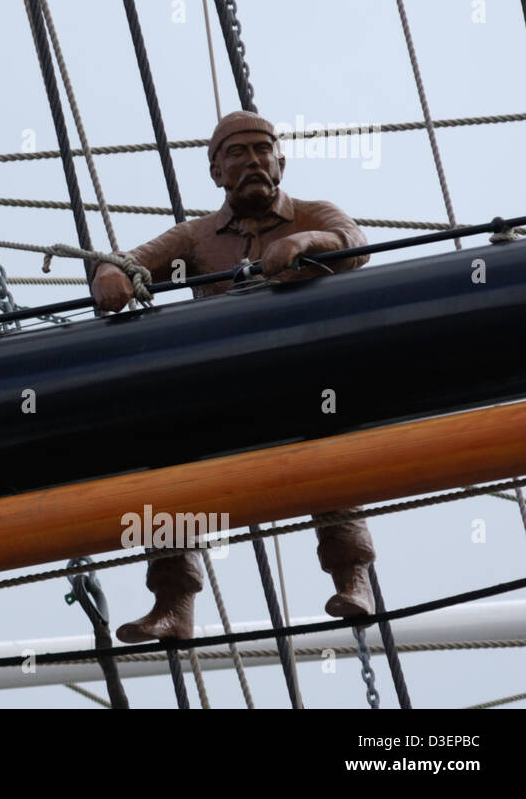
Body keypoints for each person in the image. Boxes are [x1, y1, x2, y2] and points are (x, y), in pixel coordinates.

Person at [91, 110, 377, 643]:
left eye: (262, 150)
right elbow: (127, 263)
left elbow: (350, 239)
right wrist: (109, 273)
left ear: (281, 162)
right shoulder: (197, 236)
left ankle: (353, 578)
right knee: (168, 469)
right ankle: (174, 603)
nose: (252, 162)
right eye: (237, 154)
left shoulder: (313, 213)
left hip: (304, 377)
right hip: (223, 387)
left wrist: (303, 244)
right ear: (216, 173)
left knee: (327, 454)